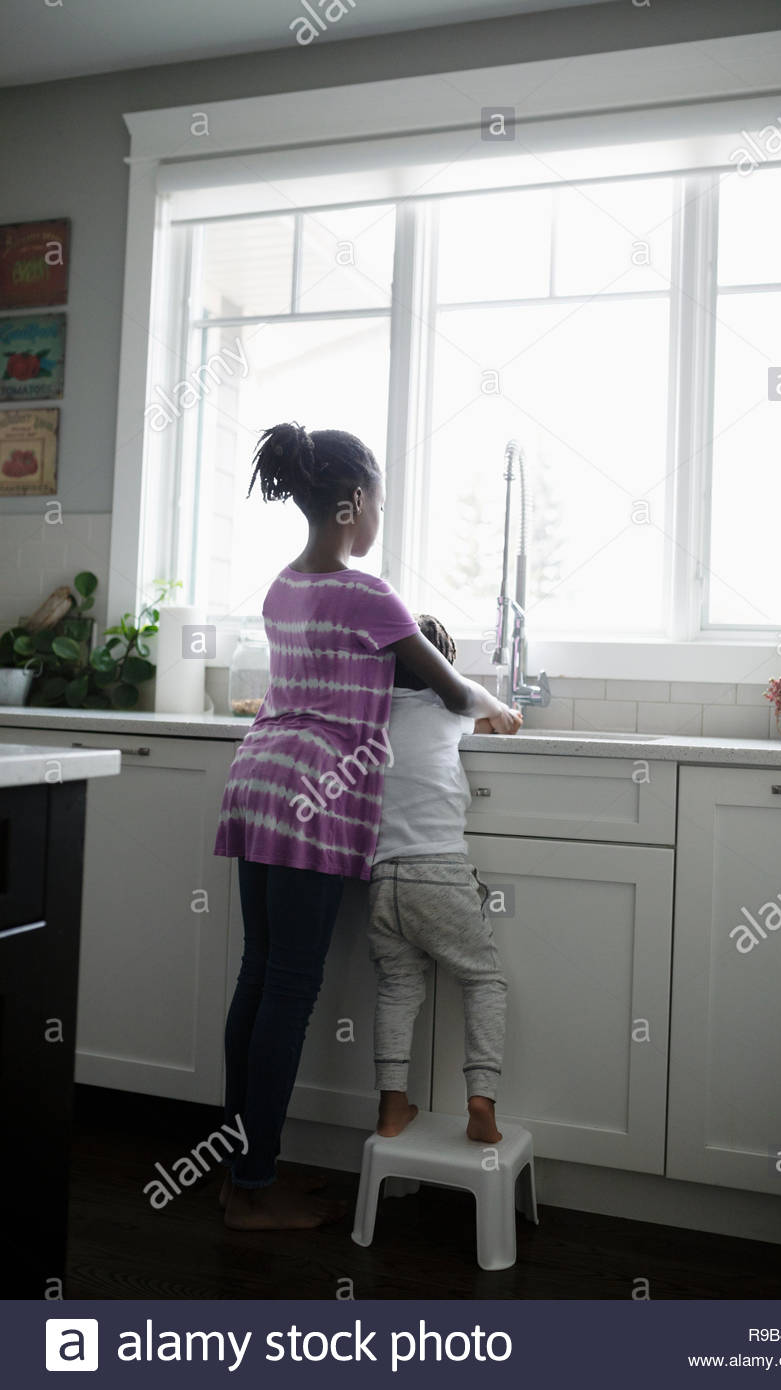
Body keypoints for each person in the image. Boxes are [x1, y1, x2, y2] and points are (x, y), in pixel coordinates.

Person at [212, 421, 522, 1230]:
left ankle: (241, 1166)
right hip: (314, 794)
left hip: (258, 778)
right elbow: (452, 692)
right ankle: (253, 1187)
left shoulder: (282, 586)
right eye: (379, 501)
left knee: (258, 974)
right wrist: (501, 709)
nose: (380, 515)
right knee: (289, 987)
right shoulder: (368, 593)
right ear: (354, 505)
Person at [367, 615, 520, 1145]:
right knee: (483, 979)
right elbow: (488, 715)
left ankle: (391, 1107)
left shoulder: (374, 718)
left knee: (398, 986)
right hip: (440, 873)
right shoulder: (446, 709)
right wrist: (501, 713)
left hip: (381, 879)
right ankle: (480, 1098)